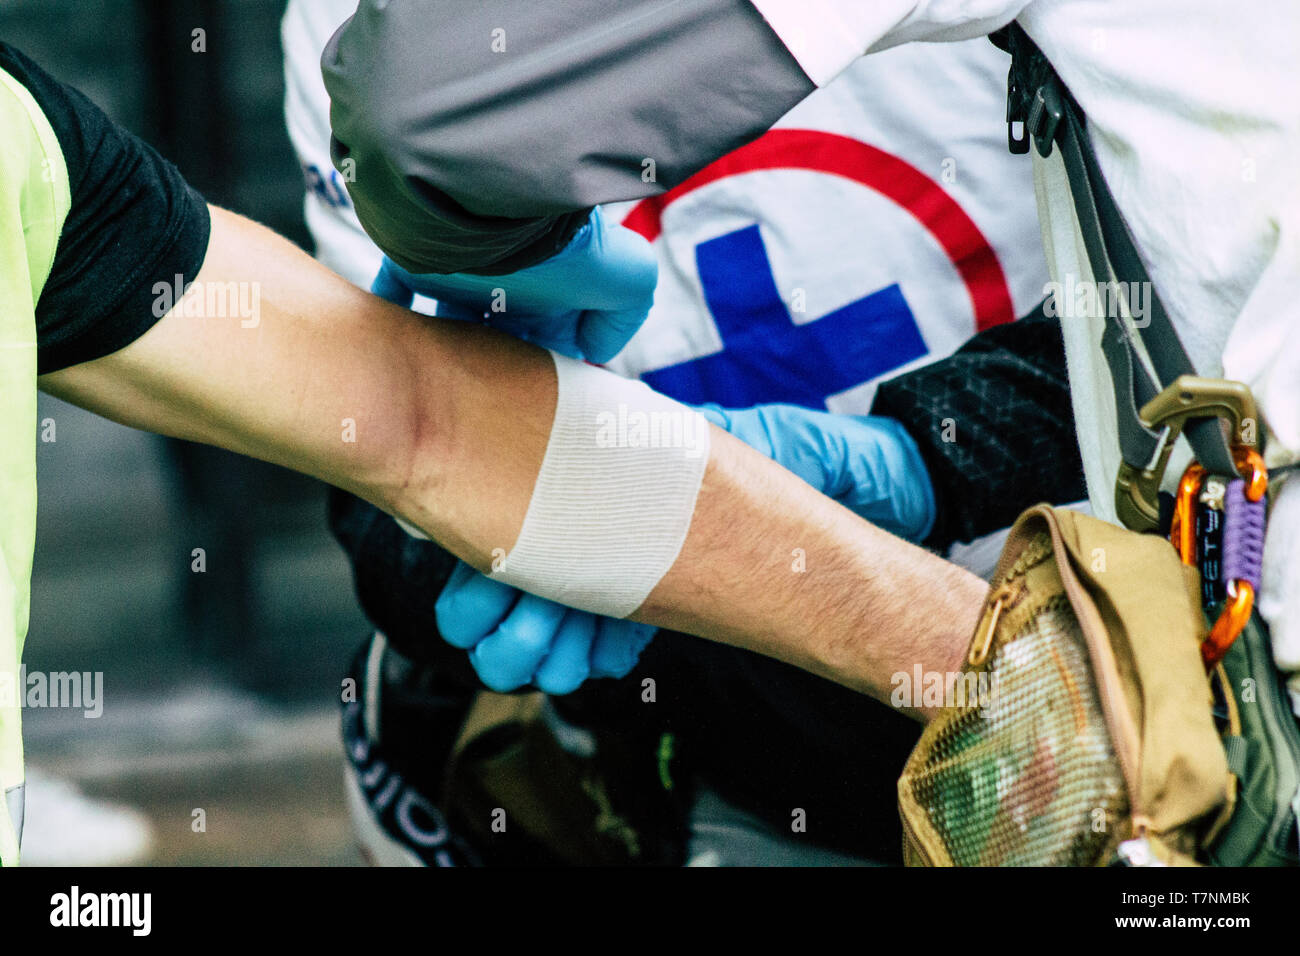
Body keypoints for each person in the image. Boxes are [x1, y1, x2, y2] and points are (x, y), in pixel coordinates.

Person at [0, 39, 992, 866]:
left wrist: (991, 635)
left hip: (1033, 626)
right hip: (720, 761)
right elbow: (407, 453)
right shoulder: (367, 49)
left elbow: (420, 420)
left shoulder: (28, 147)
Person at [321, 0, 1300, 713]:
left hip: (1125, 674)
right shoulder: (335, 24)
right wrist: (497, 518)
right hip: (712, 748)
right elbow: (365, 440)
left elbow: (1157, 313)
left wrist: (923, 455)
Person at [285, 0, 1083, 864]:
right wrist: (471, 540)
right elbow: (383, 426)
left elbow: (1198, 319)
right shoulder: (353, 25)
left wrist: (935, 455)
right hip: (711, 726)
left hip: (1090, 624)